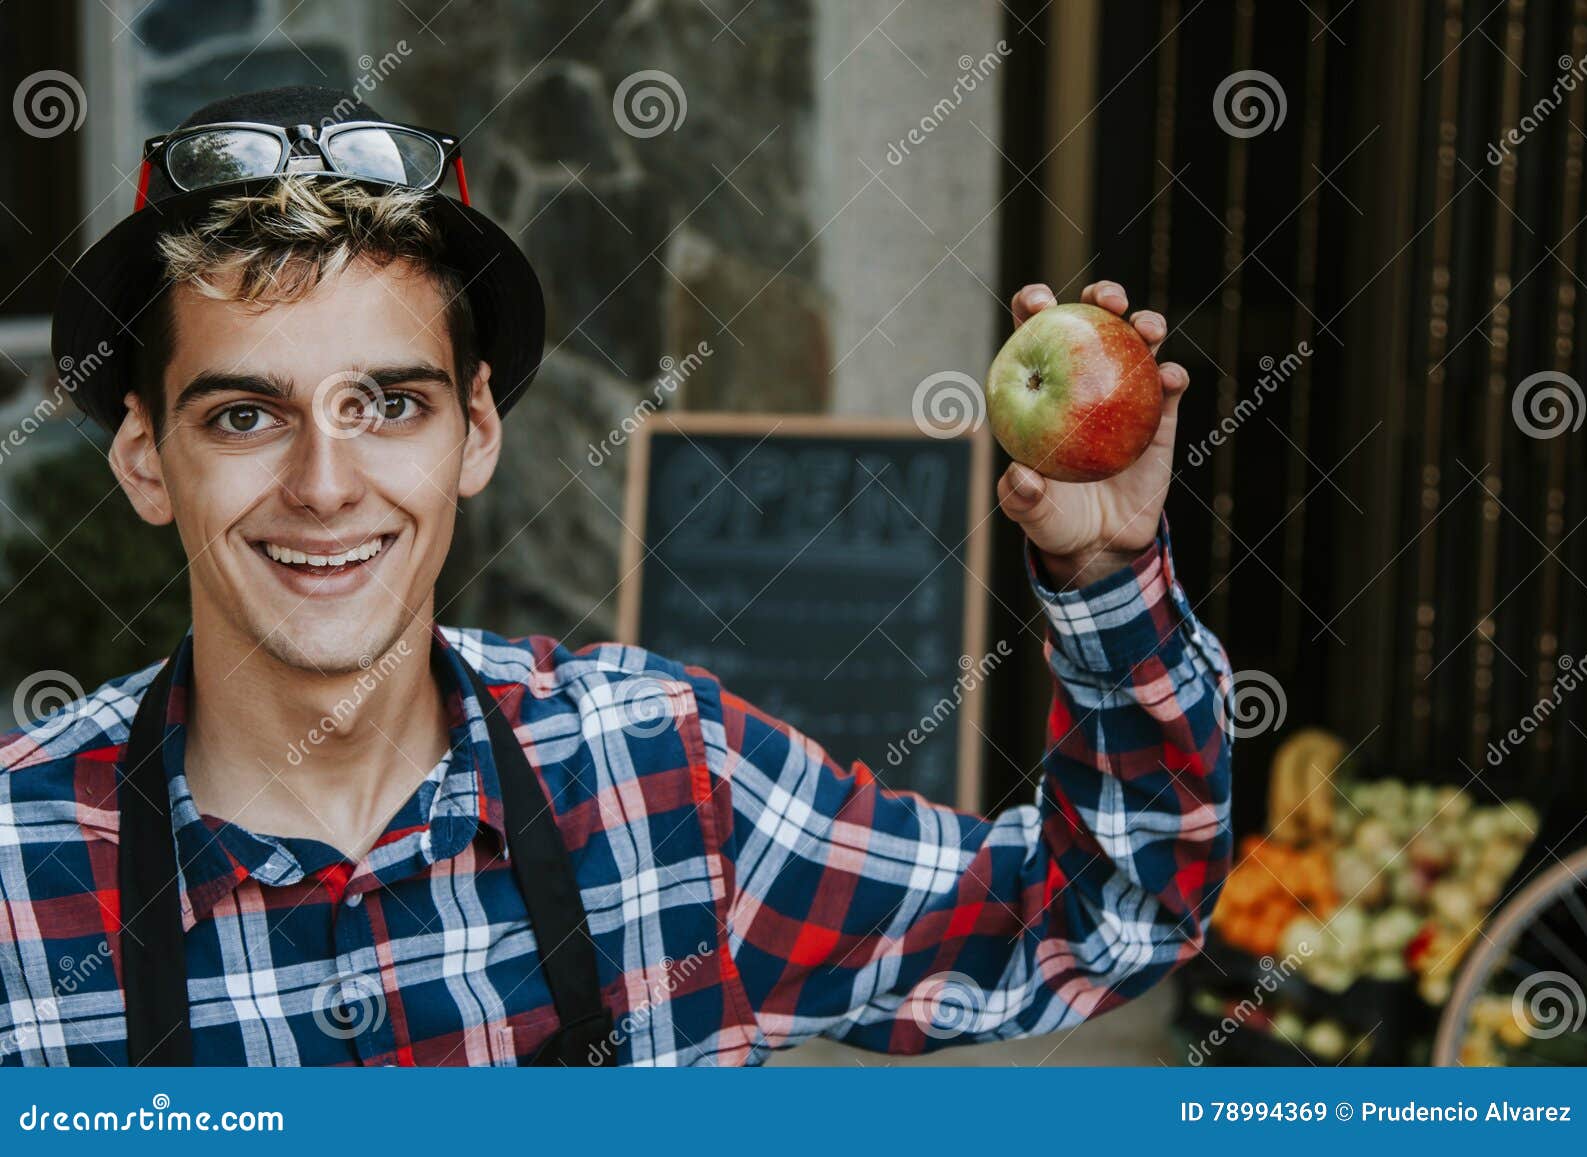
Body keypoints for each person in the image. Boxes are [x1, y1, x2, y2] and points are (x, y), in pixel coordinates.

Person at [0, 86, 1232, 1067]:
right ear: (144, 458)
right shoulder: (20, 864)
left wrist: (1107, 572)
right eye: (242, 416)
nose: (326, 484)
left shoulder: (663, 778)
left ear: (475, 431)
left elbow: (1110, 906)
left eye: (389, 403)